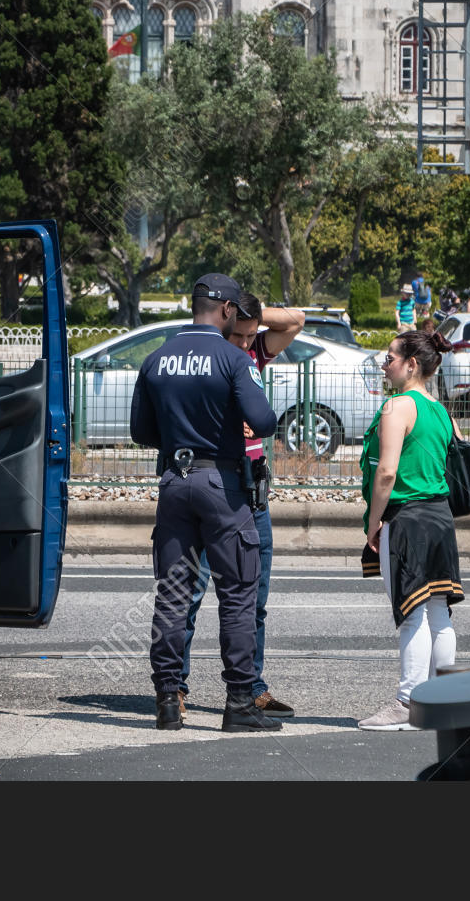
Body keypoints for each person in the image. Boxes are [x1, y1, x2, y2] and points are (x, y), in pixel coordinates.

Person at [130, 274, 280, 733]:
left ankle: (168, 701)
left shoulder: (156, 359)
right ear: (229, 311)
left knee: (174, 594)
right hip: (223, 484)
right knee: (237, 594)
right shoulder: (234, 358)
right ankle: (239, 703)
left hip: (174, 482)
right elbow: (264, 420)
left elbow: (140, 433)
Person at [176, 292, 302, 720]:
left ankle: (251, 687)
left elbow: (296, 322)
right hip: (216, 486)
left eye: (253, 336)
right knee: (190, 592)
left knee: (254, 597)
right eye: (242, 335)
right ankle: (176, 686)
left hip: (252, 490)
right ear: (224, 324)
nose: (248, 344)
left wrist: (251, 312)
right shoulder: (213, 359)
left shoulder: (250, 358)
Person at [356, 330, 465, 732]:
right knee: (438, 611)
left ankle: (408, 702)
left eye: (389, 358)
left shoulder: (396, 408)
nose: (385, 365)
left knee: (410, 614)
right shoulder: (440, 410)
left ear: (411, 364)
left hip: (407, 519)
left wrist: (373, 523)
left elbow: (386, 472)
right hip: (440, 518)